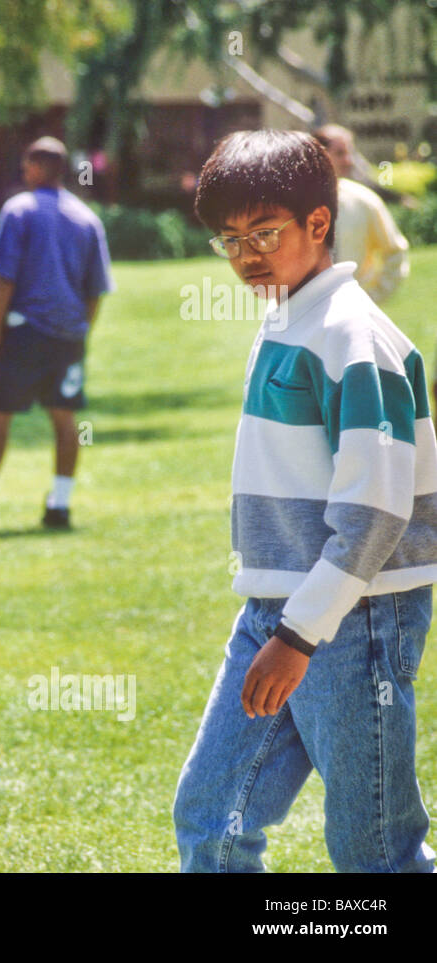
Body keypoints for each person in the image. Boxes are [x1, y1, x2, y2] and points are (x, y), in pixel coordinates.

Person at [173, 130, 437, 873]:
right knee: (210, 818)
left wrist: (299, 637)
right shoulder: (289, 316)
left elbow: (375, 514)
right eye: (230, 240)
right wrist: (280, 628)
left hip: (353, 622)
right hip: (273, 613)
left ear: (319, 225)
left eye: (264, 233)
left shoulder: (355, 337)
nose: (246, 256)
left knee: (375, 855)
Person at [0, 137, 112, 533]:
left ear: (37, 167)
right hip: (67, 337)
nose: (23, 171)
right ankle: (59, 506)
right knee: (65, 421)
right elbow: (96, 290)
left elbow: (5, 278)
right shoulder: (87, 218)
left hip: (21, 333)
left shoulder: (18, 210)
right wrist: (82, 333)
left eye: (26, 164)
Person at [313, 124, 409, 304]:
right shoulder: (296, 205)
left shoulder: (364, 201)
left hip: (354, 308)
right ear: (318, 155)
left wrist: (372, 297)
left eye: (350, 153)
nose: (348, 161)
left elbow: (395, 252)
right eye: (340, 153)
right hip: (307, 311)